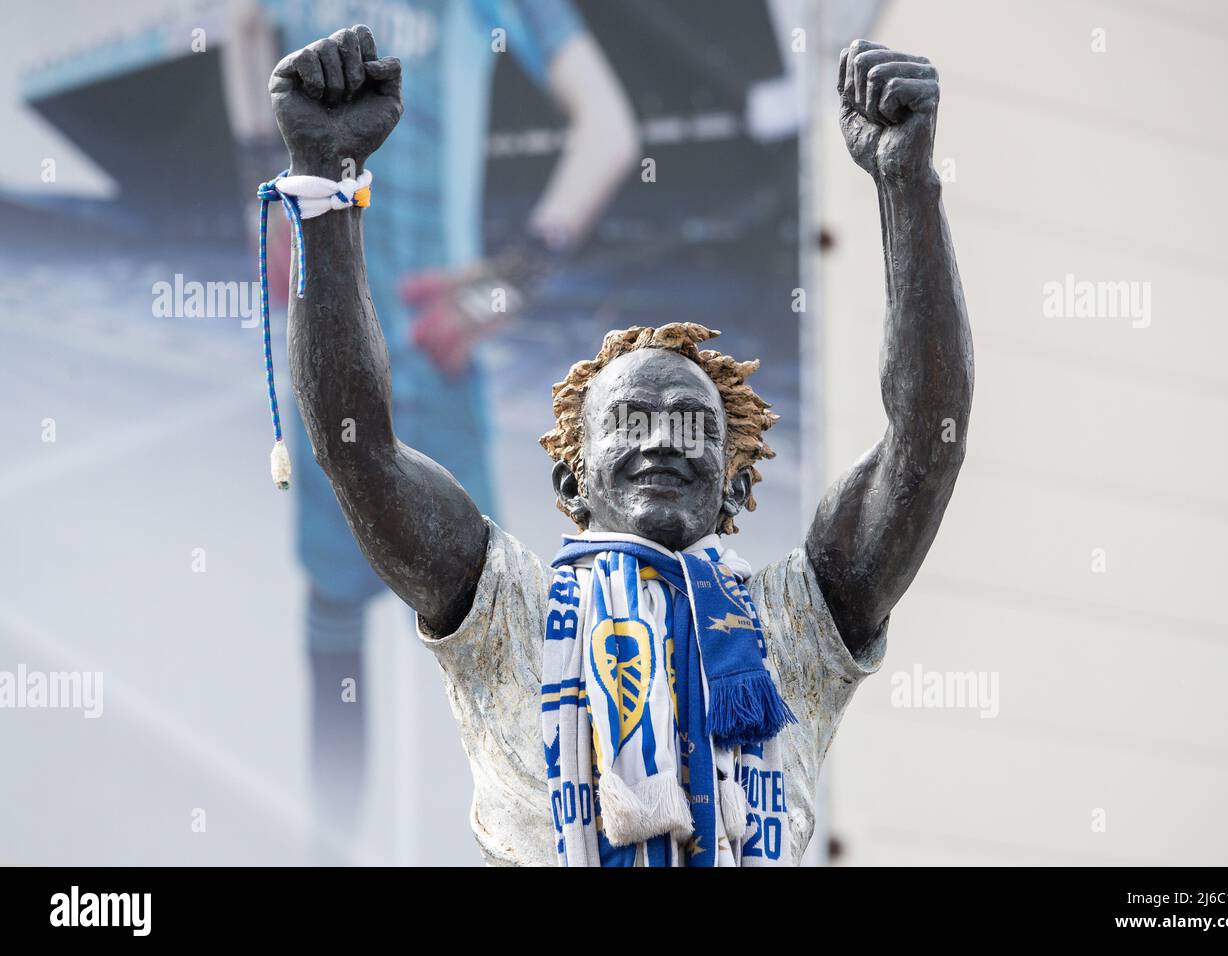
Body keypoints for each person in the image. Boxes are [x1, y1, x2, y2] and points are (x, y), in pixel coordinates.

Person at [271, 26, 973, 865]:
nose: (662, 444)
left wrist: (907, 185)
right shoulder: (503, 612)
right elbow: (359, 451)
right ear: (571, 482)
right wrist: (325, 185)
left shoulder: (798, 621)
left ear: (736, 489)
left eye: (693, 428)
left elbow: (926, 442)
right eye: (630, 424)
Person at [228, 2, 639, 840]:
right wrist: (508, 284)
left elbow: (239, 29)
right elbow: (610, 130)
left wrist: (259, 194)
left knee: (452, 645)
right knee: (489, 654)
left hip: (345, 353)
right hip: (407, 353)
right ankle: (393, 841)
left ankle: (335, 842)